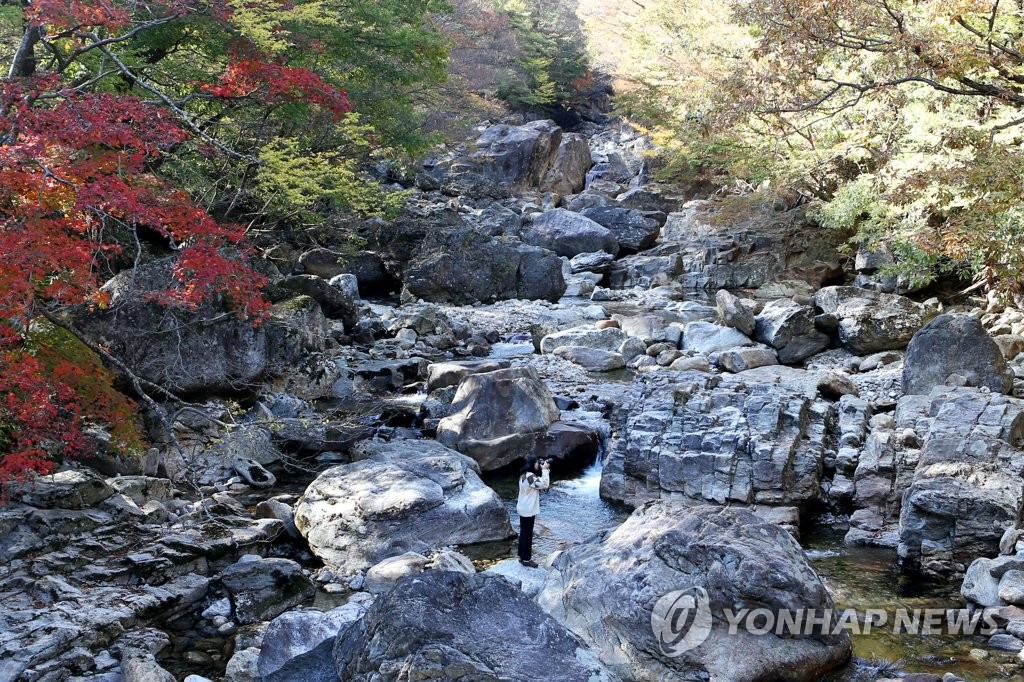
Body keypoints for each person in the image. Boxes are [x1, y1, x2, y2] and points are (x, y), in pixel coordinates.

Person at [516, 456, 550, 568]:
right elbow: (545, 485)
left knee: (523, 532)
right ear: (532, 464)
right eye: (536, 463)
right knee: (528, 533)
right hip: (528, 509)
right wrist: (545, 470)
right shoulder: (530, 476)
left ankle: (521, 556)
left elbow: (536, 487)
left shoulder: (523, 475)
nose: (537, 464)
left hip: (522, 507)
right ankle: (526, 559)